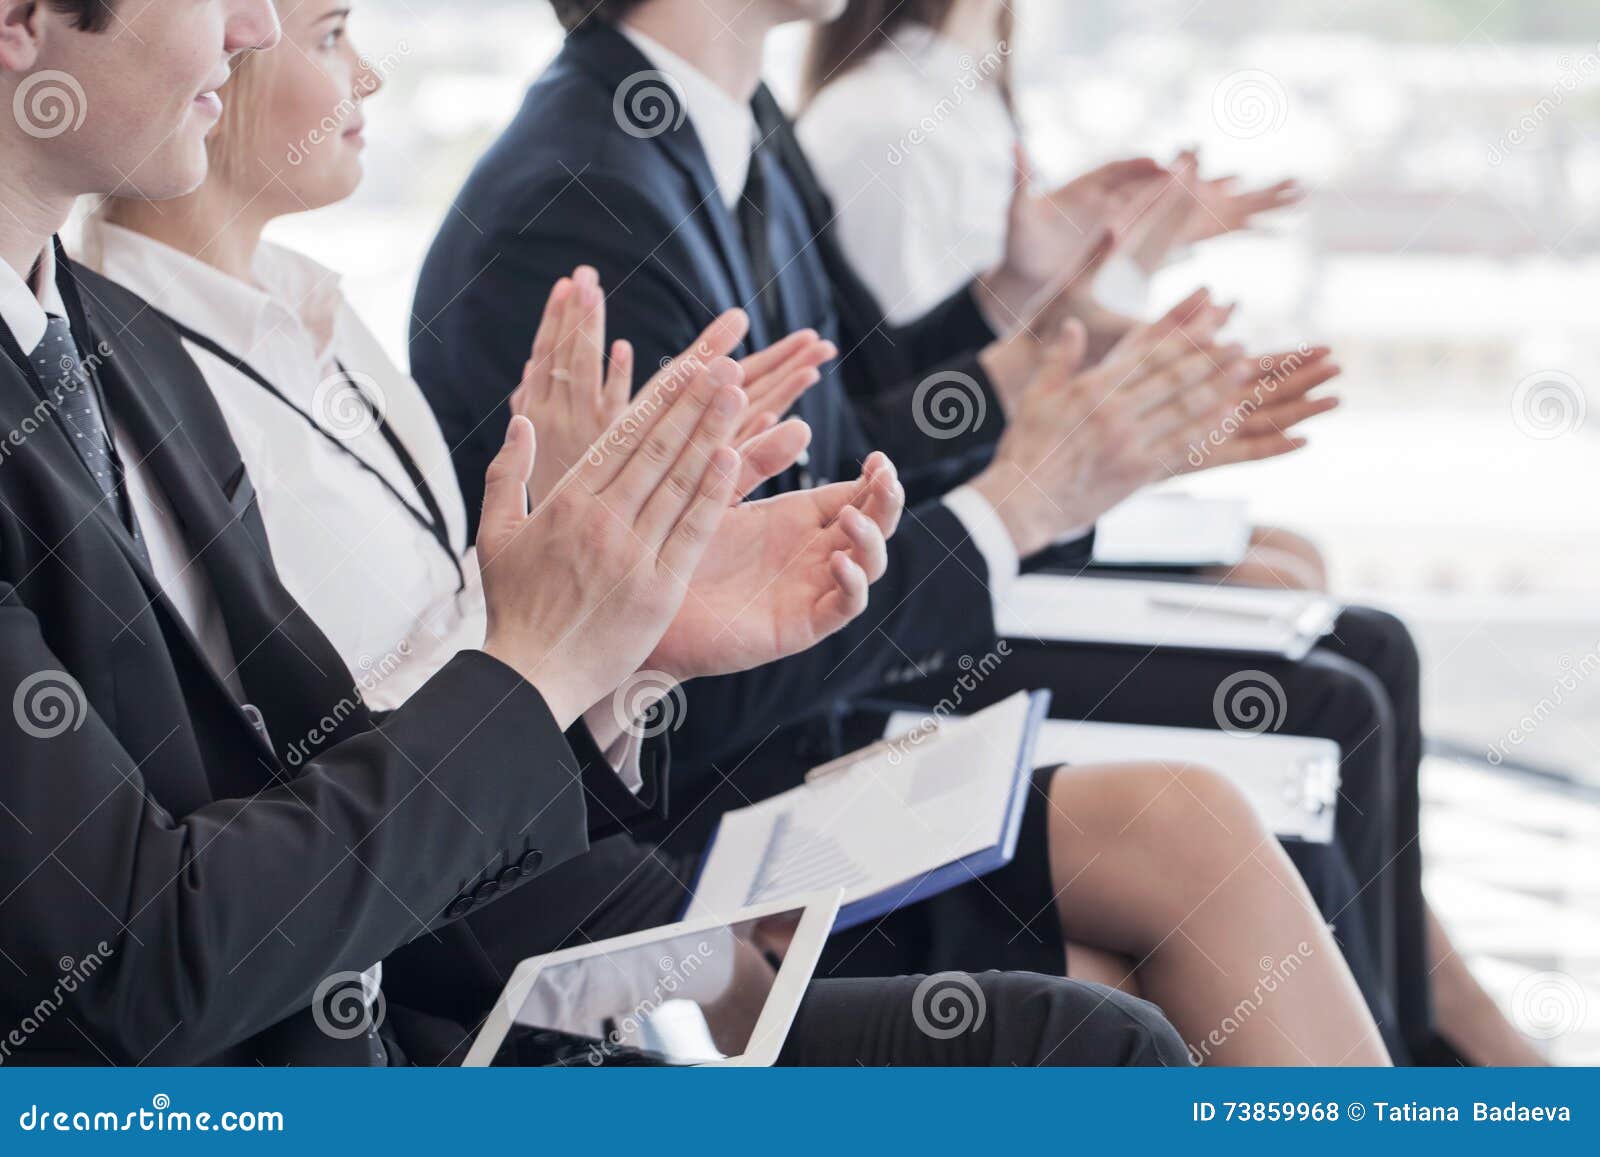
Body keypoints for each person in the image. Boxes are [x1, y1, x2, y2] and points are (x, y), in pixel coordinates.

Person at [87, 0, 1393, 1065]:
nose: (367, 66)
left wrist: (1007, 341)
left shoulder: (703, 139)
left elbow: (845, 415)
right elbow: (423, 733)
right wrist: (1022, 497)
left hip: (636, 791)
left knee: (1256, 771)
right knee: (1223, 818)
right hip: (661, 820)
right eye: (328, 34)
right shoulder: (580, 192)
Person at [796, 0, 1548, 1068]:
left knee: (1338, 629)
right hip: (906, 606)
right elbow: (887, 438)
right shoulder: (877, 126)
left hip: (954, 548)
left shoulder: (936, 103)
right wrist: (1081, 421)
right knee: (1341, 678)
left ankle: (1424, 1034)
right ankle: (1430, 1041)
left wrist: (1088, 318)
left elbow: (925, 392)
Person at [797, 0, 1328, 592]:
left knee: (1296, 563)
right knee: (1285, 582)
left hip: (992, 486)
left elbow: (989, 354)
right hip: (945, 518)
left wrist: (1132, 253)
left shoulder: (963, 97)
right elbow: (906, 411)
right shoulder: (886, 123)